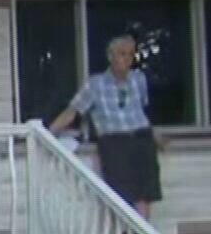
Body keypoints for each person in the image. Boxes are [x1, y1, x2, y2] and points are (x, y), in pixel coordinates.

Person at [49, 35, 163, 221]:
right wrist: (48, 133)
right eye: (121, 53)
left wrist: (154, 134)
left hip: (142, 140)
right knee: (122, 198)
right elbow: (73, 111)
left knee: (144, 196)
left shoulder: (138, 79)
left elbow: (139, 111)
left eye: (130, 54)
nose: (125, 58)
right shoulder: (96, 84)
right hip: (115, 142)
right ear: (110, 56)